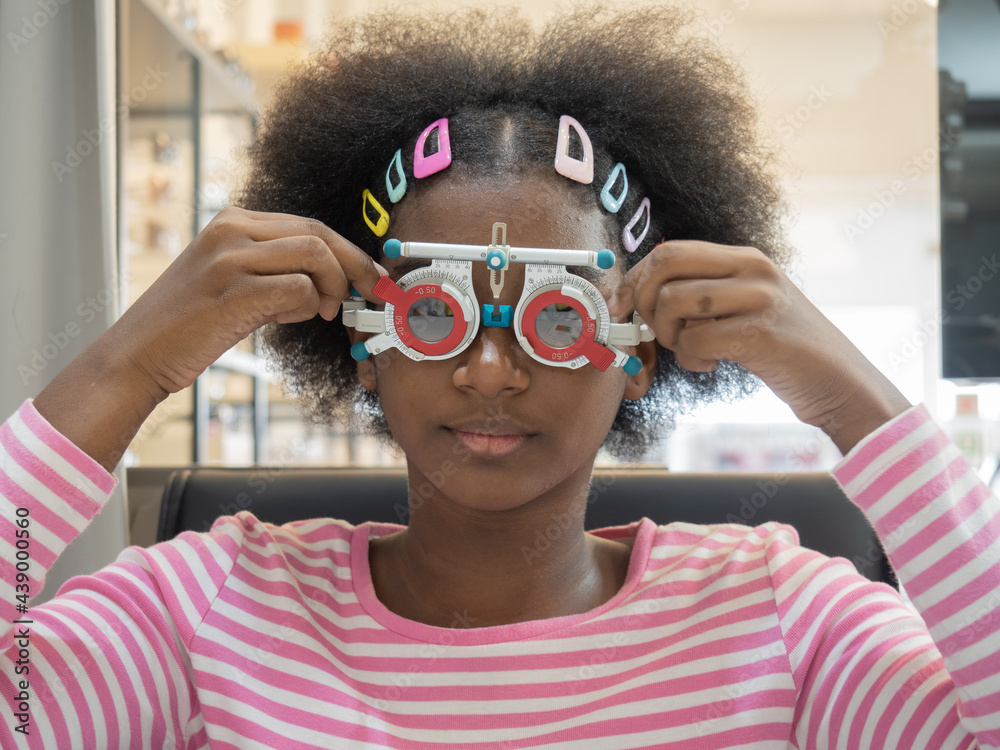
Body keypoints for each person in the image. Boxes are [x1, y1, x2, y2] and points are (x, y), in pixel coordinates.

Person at [2, 5, 998, 748]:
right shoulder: (211, 610)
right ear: (361, 341)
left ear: (638, 348)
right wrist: (126, 365)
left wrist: (850, 399)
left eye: (554, 319)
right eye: (430, 314)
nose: (489, 370)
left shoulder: (784, 622)